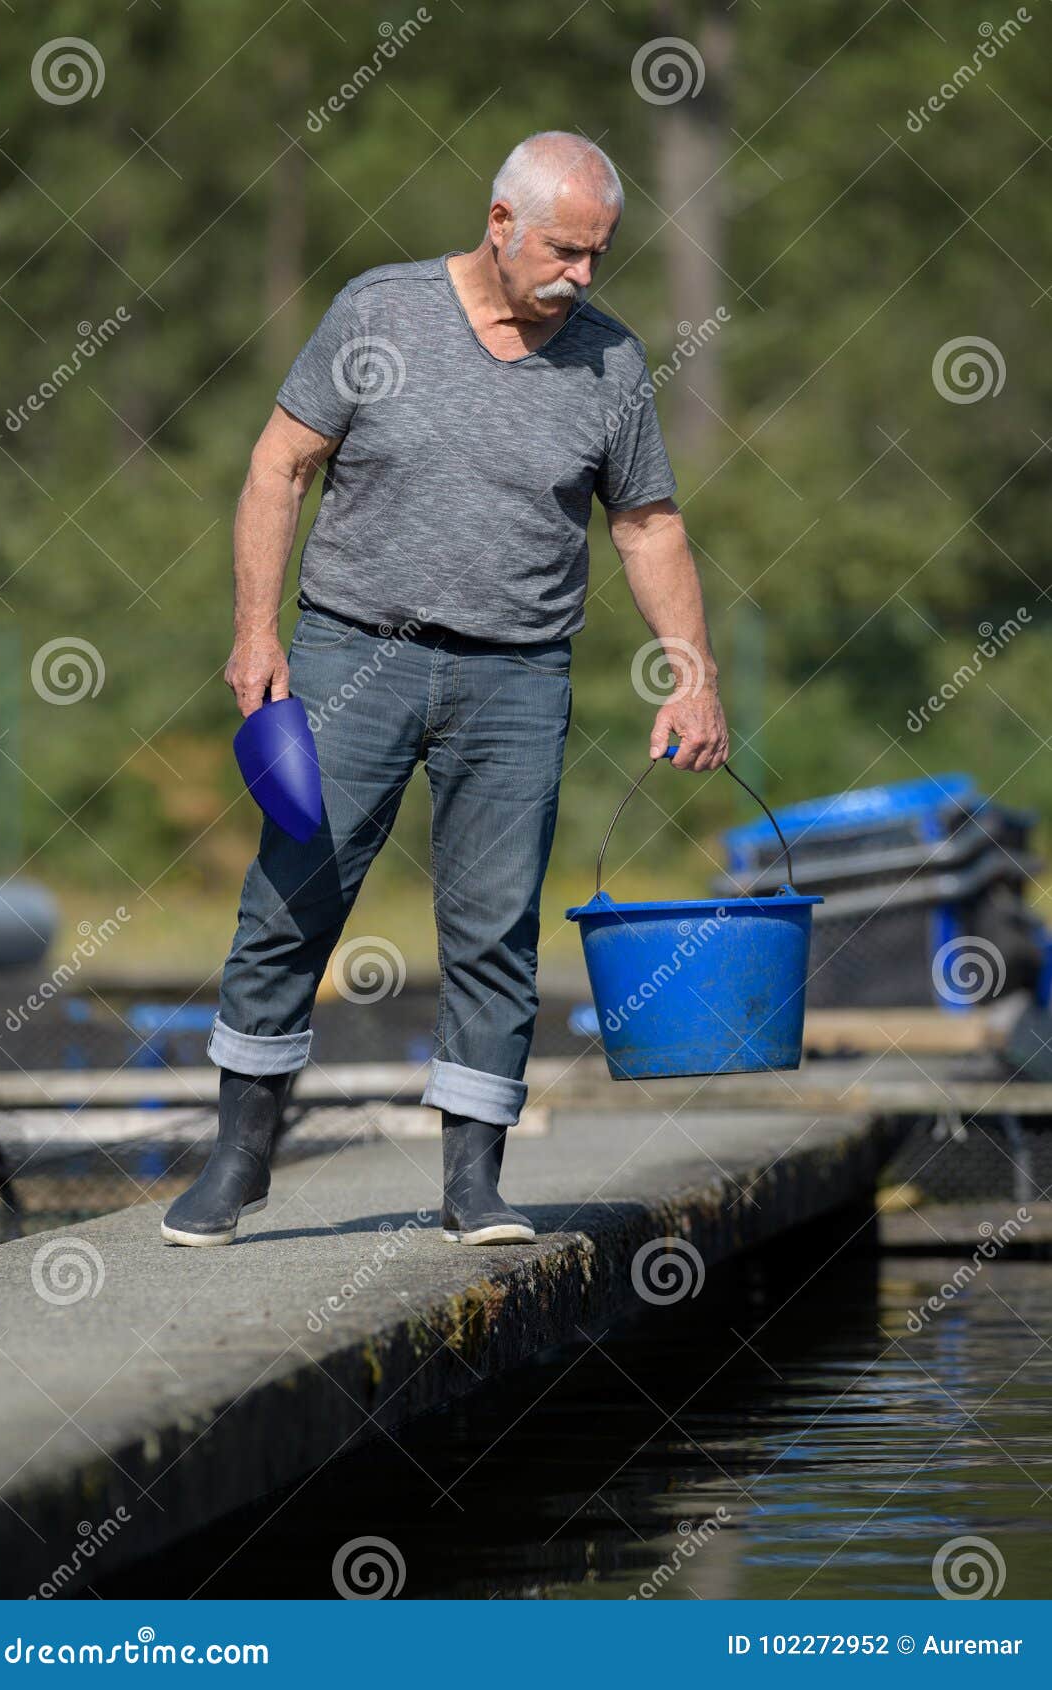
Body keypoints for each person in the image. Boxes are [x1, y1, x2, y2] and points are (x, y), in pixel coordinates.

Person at [161, 130, 729, 1251]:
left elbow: (646, 524)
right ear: (500, 223)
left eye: (599, 255)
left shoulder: (611, 363)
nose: (581, 275)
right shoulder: (378, 314)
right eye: (564, 250)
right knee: (290, 901)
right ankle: (237, 1159)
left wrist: (692, 672)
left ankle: (473, 1182)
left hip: (518, 675)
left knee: (493, 928)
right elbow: (280, 463)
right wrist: (252, 631)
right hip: (350, 652)